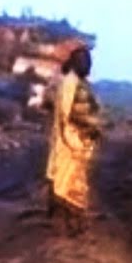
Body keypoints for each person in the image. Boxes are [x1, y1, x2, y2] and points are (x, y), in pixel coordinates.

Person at [45, 46, 103, 236]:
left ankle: (68, 226)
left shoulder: (74, 82)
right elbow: (70, 115)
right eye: (86, 62)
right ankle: (69, 228)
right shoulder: (71, 84)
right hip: (72, 143)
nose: (89, 66)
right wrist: (90, 131)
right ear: (77, 63)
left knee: (65, 182)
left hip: (71, 142)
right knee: (69, 185)